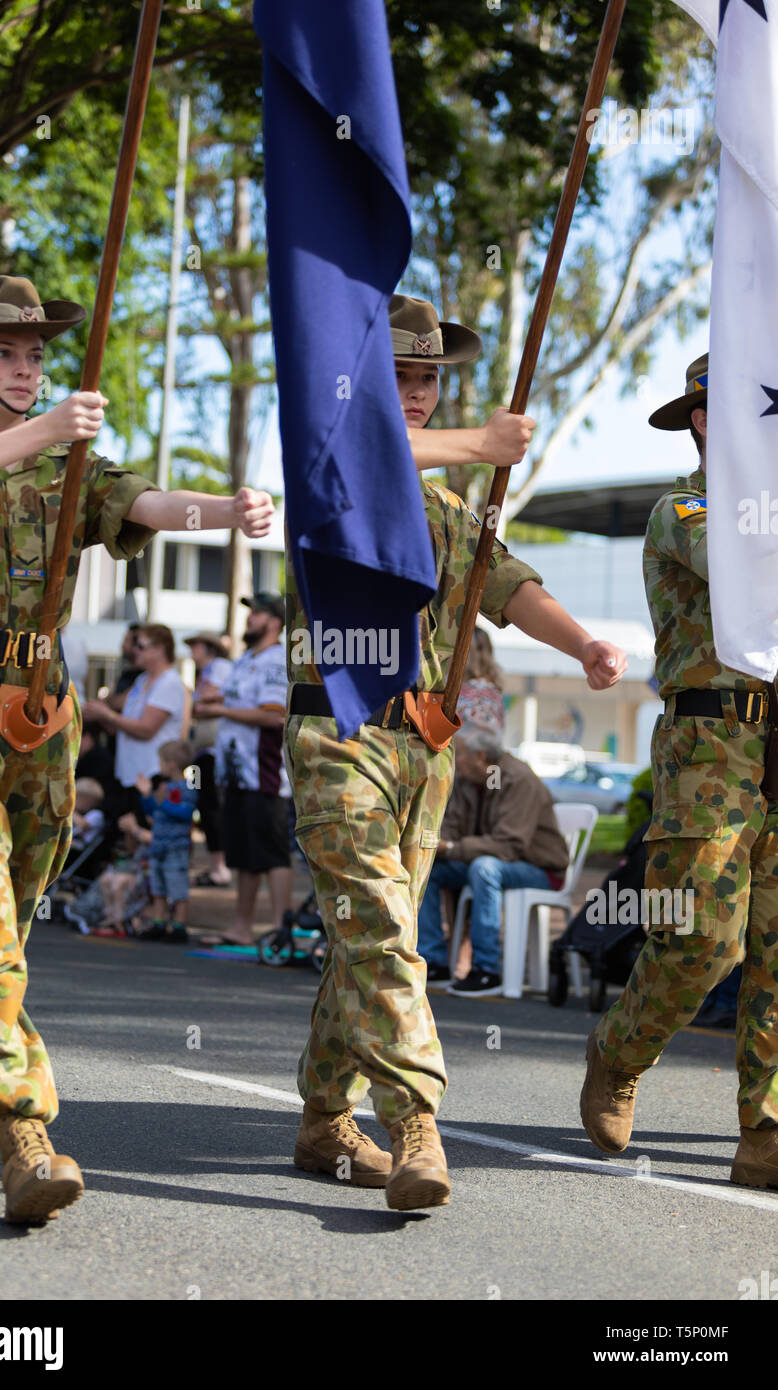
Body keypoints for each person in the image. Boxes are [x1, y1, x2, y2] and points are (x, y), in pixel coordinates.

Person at [0, 275, 273, 1223]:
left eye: (35, 356)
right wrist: (45, 433)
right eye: (4, 354)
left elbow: (151, 505)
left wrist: (233, 514)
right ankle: (23, 1134)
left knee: (9, 916)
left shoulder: (74, 468)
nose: (27, 370)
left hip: (45, 705)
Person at [285, 293, 626, 1212]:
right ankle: (415, 1123)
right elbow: (365, 455)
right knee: (388, 928)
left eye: (429, 375)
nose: (419, 391)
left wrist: (584, 645)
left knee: (364, 937)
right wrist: (483, 444)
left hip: (422, 750)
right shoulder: (330, 459)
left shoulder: (443, 502)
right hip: (339, 734)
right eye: (399, 373)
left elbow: (507, 585)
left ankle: (324, 1118)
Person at [579, 354, 778, 1190]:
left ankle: (764, 1131)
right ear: (705, 420)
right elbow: (750, 570)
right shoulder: (684, 510)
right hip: (710, 750)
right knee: (703, 942)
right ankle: (619, 1052)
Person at [417, 715, 568, 992]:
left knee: (484, 868)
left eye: (458, 754)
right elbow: (452, 827)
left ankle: (486, 969)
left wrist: (451, 848)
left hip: (539, 870)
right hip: (488, 861)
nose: (454, 760)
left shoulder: (518, 779)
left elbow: (509, 846)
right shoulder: (467, 779)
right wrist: (438, 843)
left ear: (480, 756)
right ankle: (434, 961)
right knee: (428, 868)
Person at [199, 594, 292, 949]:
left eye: (256, 613)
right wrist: (214, 702)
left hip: (263, 772)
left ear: (274, 622)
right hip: (236, 773)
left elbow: (273, 715)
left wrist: (220, 711)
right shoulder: (244, 661)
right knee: (242, 852)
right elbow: (234, 701)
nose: (249, 619)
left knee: (272, 851)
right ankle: (242, 925)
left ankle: (283, 927)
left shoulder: (274, 661)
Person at [83, 623, 190, 822]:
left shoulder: (169, 683)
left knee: (147, 838)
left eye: (140, 646)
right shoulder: (142, 680)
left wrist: (106, 715)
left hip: (152, 775)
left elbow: (146, 729)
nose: (134, 650)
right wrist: (102, 717)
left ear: (159, 649)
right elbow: (127, 722)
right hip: (133, 775)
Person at [134, 739, 197, 944]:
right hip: (158, 844)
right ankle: (159, 921)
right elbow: (154, 811)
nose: (159, 767)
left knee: (177, 886)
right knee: (158, 886)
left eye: (161, 762)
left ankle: (179, 925)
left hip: (175, 847)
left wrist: (164, 802)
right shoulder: (165, 787)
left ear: (171, 764)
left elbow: (186, 813)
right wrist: (146, 796)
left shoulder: (185, 788)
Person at [185, 632, 232, 887]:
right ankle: (217, 866)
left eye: (196, 645)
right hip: (203, 749)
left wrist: (199, 703)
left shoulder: (220, 668)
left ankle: (220, 867)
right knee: (205, 805)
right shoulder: (206, 672)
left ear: (209, 648)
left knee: (212, 806)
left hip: (213, 749)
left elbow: (205, 702)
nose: (192, 651)